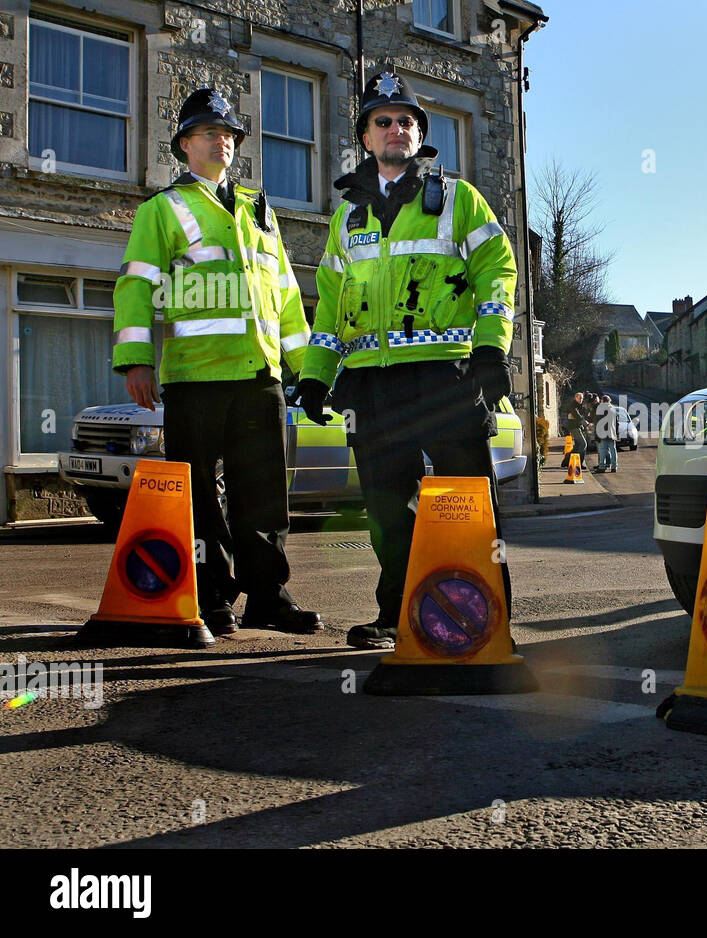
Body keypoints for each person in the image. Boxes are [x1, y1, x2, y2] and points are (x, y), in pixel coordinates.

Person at [293, 69, 518, 650]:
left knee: (468, 503)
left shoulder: (459, 199)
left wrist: (492, 348)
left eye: (408, 121)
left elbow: (498, 272)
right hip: (371, 385)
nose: (397, 129)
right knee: (387, 513)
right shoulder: (347, 217)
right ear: (366, 137)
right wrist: (317, 377)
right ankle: (397, 615)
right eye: (383, 121)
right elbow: (331, 306)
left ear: (421, 136)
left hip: (447, 378)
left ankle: (490, 618)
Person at [111, 88, 322, 637]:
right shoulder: (163, 210)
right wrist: (135, 361)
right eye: (209, 132)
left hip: (260, 377)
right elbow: (136, 287)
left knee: (264, 495)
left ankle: (268, 598)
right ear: (184, 145)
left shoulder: (258, 209)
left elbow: (287, 296)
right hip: (195, 377)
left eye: (229, 133)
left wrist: (308, 368)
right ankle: (210, 598)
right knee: (199, 497)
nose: (222, 140)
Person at [562, 391, 592, 470]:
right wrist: (586, 423)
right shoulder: (573, 405)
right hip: (574, 427)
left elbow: (583, 414)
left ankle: (567, 461)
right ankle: (579, 463)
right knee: (583, 444)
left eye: (582, 398)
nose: (581, 399)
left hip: (578, 427)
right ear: (575, 398)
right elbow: (577, 415)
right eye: (579, 398)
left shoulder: (579, 405)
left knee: (578, 446)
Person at [594, 394, 618, 473]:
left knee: (602, 450)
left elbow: (598, 422)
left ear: (602, 400)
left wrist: (596, 434)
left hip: (603, 433)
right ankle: (614, 466)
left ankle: (602, 466)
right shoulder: (613, 409)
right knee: (613, 450)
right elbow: (617, 423)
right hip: (612, 433)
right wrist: (616, 433)